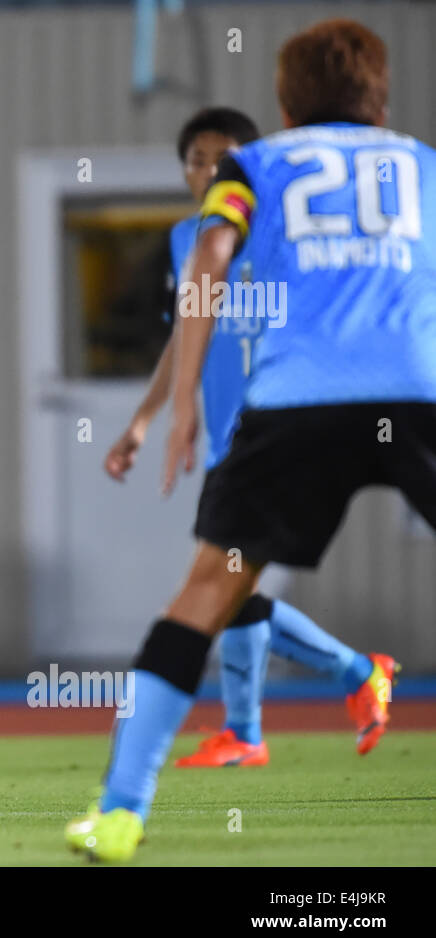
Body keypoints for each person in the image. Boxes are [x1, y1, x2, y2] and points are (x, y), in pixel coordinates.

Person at [68, 19, 436, 861]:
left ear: (283, 103)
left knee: (209, 590)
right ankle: (295, 703)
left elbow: (211, 257)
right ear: (380, 97)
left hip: (297, 401)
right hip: (418, 387)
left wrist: (184, 397)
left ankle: (122, 812)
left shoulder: (256, 168)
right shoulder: (422, 165)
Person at [104, 106, 395, 769]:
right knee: (233, 585)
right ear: (183, 170)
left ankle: (257, 726)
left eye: (223, 159)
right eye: (197, 159)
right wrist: (146, 420)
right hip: (226, 438)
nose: (209, 170)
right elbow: (186, 334)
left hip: (278, 426)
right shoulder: (188, 238)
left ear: (252, 168)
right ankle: (348, 676)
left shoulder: (286, 235)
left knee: (225, 583)